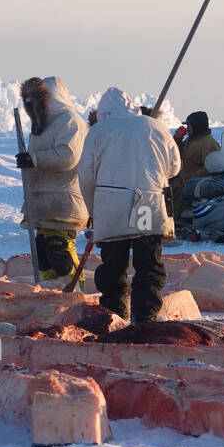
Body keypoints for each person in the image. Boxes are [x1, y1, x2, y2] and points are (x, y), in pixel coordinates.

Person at [78, 87, 181, 323]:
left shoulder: (98, 131)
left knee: (114, 264)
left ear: (102, 112)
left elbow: (85, 174)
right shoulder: (154, 126)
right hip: (147, 204)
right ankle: (145, 316)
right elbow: (175, 165)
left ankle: (115, 315)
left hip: (112, 207)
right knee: (148, 263)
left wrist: (93, 211)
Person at [15, 76, 89, 280]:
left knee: (61, 255)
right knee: (44, 258)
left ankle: (77, 296)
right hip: (43, 204)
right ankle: (52, 299)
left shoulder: (70, 122)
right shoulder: (40, 126)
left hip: (64, 203)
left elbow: (68, 156)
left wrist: (34, 159)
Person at [171, 111, 220, 218]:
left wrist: (192, 179)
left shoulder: (208, 143)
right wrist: (177, 139)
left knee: (175, 213)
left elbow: (211, 167)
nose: (187, 128)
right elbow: (176, 155)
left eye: (189, 125)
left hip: (194, 188)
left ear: (196, 126)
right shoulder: (190, 140)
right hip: (181, 185)